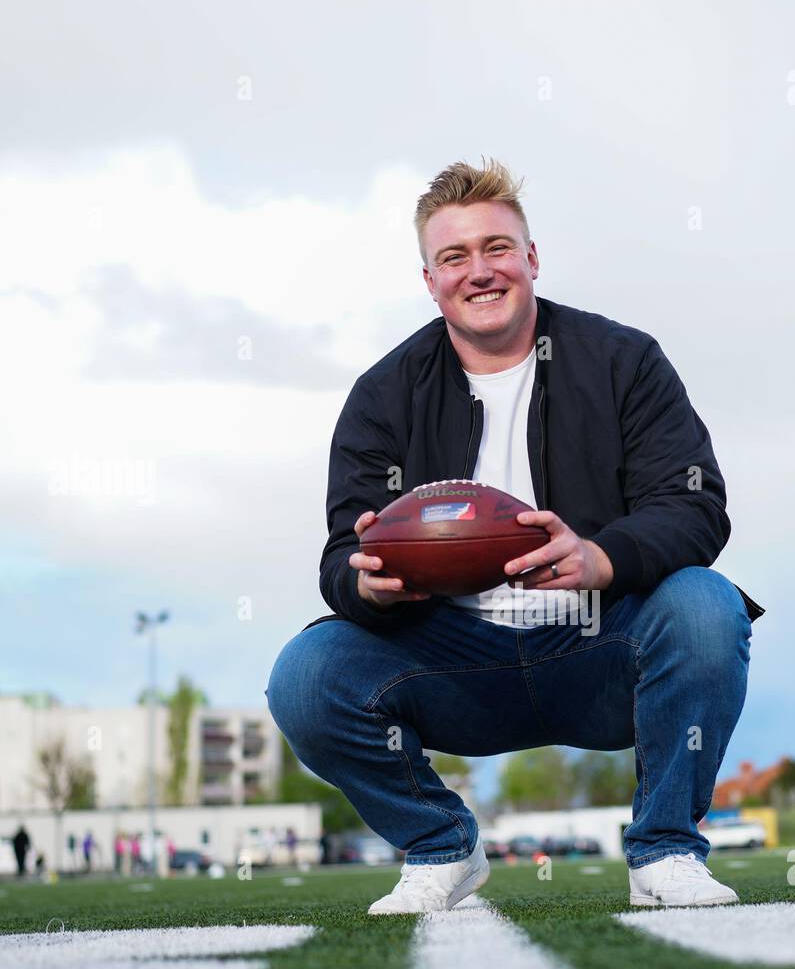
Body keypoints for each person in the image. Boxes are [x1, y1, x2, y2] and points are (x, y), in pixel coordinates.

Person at [266, 158, 764, 914]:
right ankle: (440, 847)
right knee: (306, 674)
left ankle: (664, 849)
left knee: (705, 606)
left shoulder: (622, 361)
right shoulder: (384, 393)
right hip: (453, 661)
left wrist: (602, 558)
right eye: (454, 257)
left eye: (497, 248)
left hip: (600, 644)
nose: (480, 271)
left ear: (531, 257)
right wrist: (365, 582)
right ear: (430, 279)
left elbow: (694, 504)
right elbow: (343, 553)